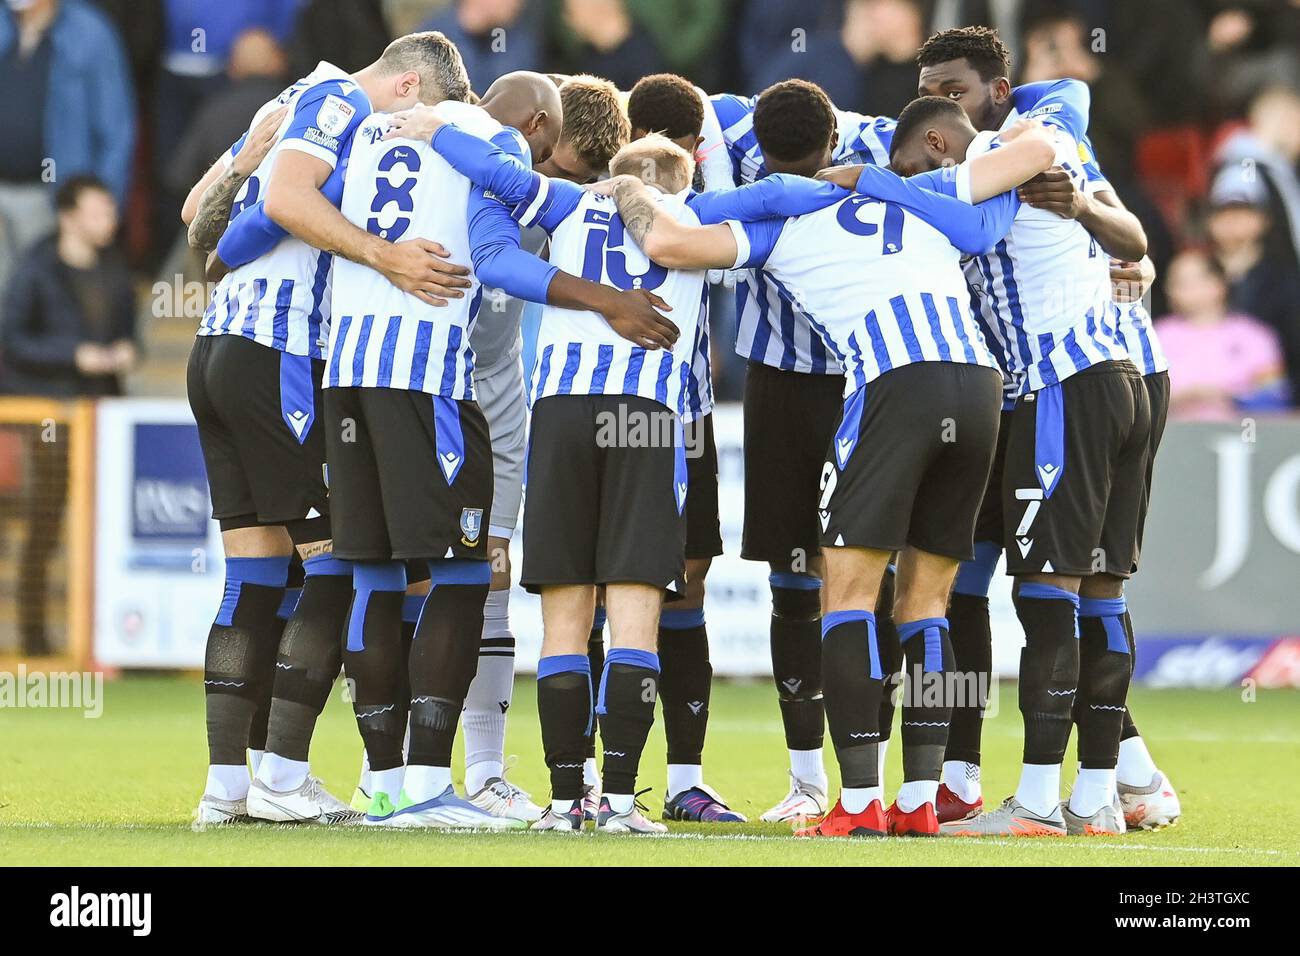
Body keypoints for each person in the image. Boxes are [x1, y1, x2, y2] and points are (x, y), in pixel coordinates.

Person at [594, 99, 1058, 837]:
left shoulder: (776, 223)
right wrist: (885, 179)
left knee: (844, 594)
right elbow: (1037, 147)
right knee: (927, 603)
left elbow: (674, 244)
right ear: (833, 141)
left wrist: (625, 187)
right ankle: (918, 801)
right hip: (978, 386)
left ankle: (858, 801)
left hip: (895, 382)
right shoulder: (925, 192)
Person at [182, 32, 486, 827]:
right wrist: (385, 255)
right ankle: (283, 776)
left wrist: (243, 159)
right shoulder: (343, 101)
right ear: (410, 84)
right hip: (280, 351)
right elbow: (286, 202)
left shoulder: (283, 103)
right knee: (337, 566)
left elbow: (197, 224)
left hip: (218, 347)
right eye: (427, 113)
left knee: (252, 575)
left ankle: (227, 790)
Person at [899, 25, 1179, 831]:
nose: (942, 108)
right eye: (931, 91)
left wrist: (1082, 199)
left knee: (1045, 590)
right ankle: (1105, 791)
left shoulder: (1021, 148)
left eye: (955, 89)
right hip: (1094, 382)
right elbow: (1134, 243)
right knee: (1085, 589)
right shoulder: (1026, 146)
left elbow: (1135, 242)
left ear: (998, 92)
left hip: (1065, 385)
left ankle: (1033, 800)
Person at [410, 120, 716, 833]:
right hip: (646, 419)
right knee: (635, 611)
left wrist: (431, 125)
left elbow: (492, 170)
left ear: (615, 174)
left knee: (564, 621)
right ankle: (616, 801)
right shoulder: (701, 220)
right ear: (683, 182)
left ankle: (560, 798)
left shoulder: (571, 203)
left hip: (562, 416)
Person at [701, 78, 897, 824]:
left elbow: (973, 158)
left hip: (866, 377)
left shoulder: (879, 142)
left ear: (831, 148)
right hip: (780, 378)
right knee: (792, 576)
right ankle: (806, 778)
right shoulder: (728, 124)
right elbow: (674, 106)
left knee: (867, 574)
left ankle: (868, 775)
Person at [0, 175, 136, 657]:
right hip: (50, 414)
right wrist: (73, 356)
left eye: (110, 210)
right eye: (98, 211)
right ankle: (34, 636)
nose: (109, 221)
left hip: (104, 413)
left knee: (111, 523)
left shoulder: (115, 270)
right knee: (45, 520)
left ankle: (117, 637)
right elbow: (12, 341)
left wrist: (124, 352)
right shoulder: (36, 270)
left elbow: (127, 333)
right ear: (68, 217)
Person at [0, 0, 134, 293]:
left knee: (50, 302)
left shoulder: (90, 32)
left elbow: (116, 128)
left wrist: (101, 203)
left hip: (53, 199)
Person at [1155, 249, 1286, 420]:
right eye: (1175, 282)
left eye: (1191, 281)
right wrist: (1179, 397)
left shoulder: (1255, 335)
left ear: (1219, 283)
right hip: (1171, 437)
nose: (1179, 289)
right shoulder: (1154, 336)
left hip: (1244, 436)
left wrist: (1231, 397)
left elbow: (1275, 396)